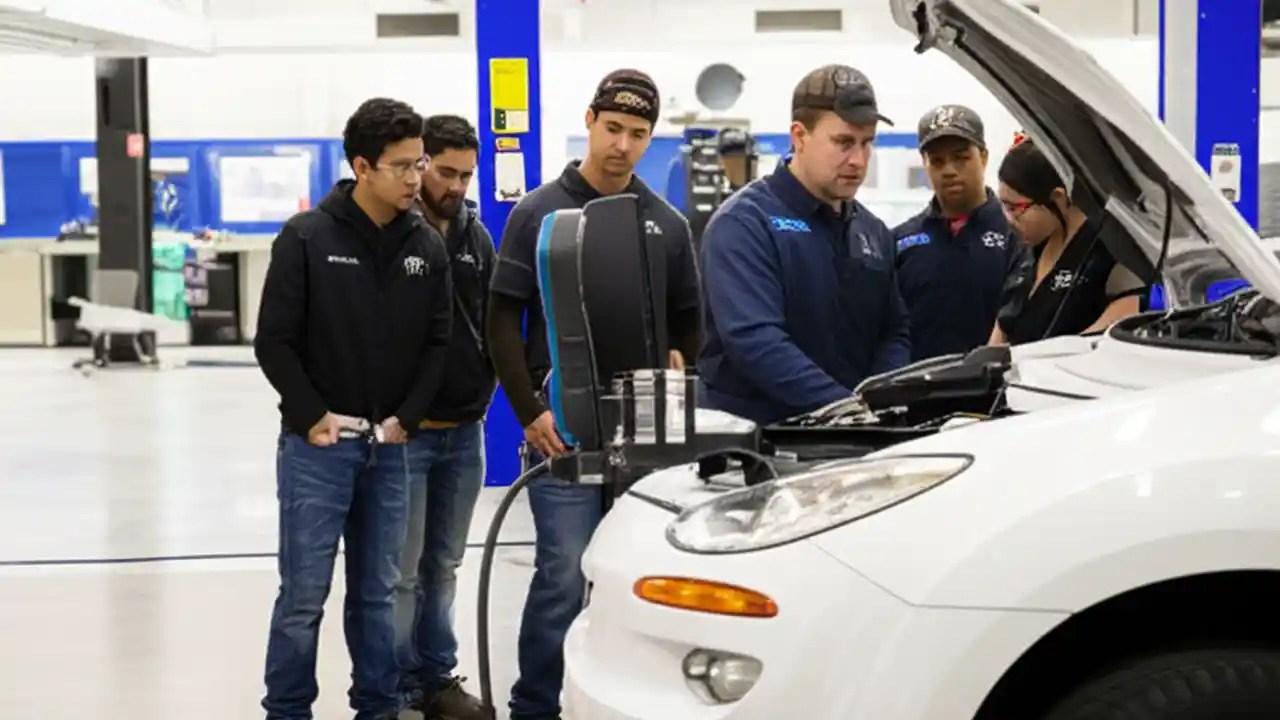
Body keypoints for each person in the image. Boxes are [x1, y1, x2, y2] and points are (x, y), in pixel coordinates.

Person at [485, 68, 700, 720]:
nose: (623, 145)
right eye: (613, 129)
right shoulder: (539, 212)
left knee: (637, 577)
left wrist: (680, 359)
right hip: (563, 432)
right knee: (562, 575)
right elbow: (500, 318)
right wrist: (529, 411)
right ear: (589, 121)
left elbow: (691, 318)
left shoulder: (665, 222)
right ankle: (534, 707)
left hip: (643, 438)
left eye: (638, 134)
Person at [254, 97, 453, 720]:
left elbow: (439, 340)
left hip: (391, 450)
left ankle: (378, 707)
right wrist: (311, 413)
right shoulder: (308, 238)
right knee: (304, 596)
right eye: (402, 166)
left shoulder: (426, 243)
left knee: (377, 595)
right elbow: (274, 340)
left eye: (419, 163)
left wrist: (409, 420)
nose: (416, 179)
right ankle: (287, 710)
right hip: (317, 450)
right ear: (363, 167)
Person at [697, 64, 911, 425]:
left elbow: (894, 330)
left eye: (866, 143)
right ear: (799, 136)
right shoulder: (744, 225)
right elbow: (756, 340)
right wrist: (845, 409)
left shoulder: (872, 231)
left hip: (853, 445)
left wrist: (881, 400)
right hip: (758, 450)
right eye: (843, 142)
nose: (858, 160)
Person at [392, 114, 495, 719]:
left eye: (466, 175)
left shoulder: (474, 237)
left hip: (465, 431)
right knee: (401, 575)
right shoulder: (394, 234)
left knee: (445, 566)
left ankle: (436, 678)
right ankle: (399, 689)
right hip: (406, 437)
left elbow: (493, 319)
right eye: (446, 171)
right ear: (419, 163)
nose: (457, 186)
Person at [892, 104, 1025, 361]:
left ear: (984, 157)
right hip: (916, 391)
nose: (949, 170)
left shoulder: (1017, 235)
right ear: (925, 164)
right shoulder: (899, 241)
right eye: (937, 161)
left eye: (961, 157)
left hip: (996, 391)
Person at [991, 134, 1147, 345]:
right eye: (1003, 205)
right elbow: (1002, 328)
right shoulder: (1031, 246)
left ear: (1058, 198)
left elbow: (1123, 320)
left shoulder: (1111, 247)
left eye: (1014, 208)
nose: (1008, 219)